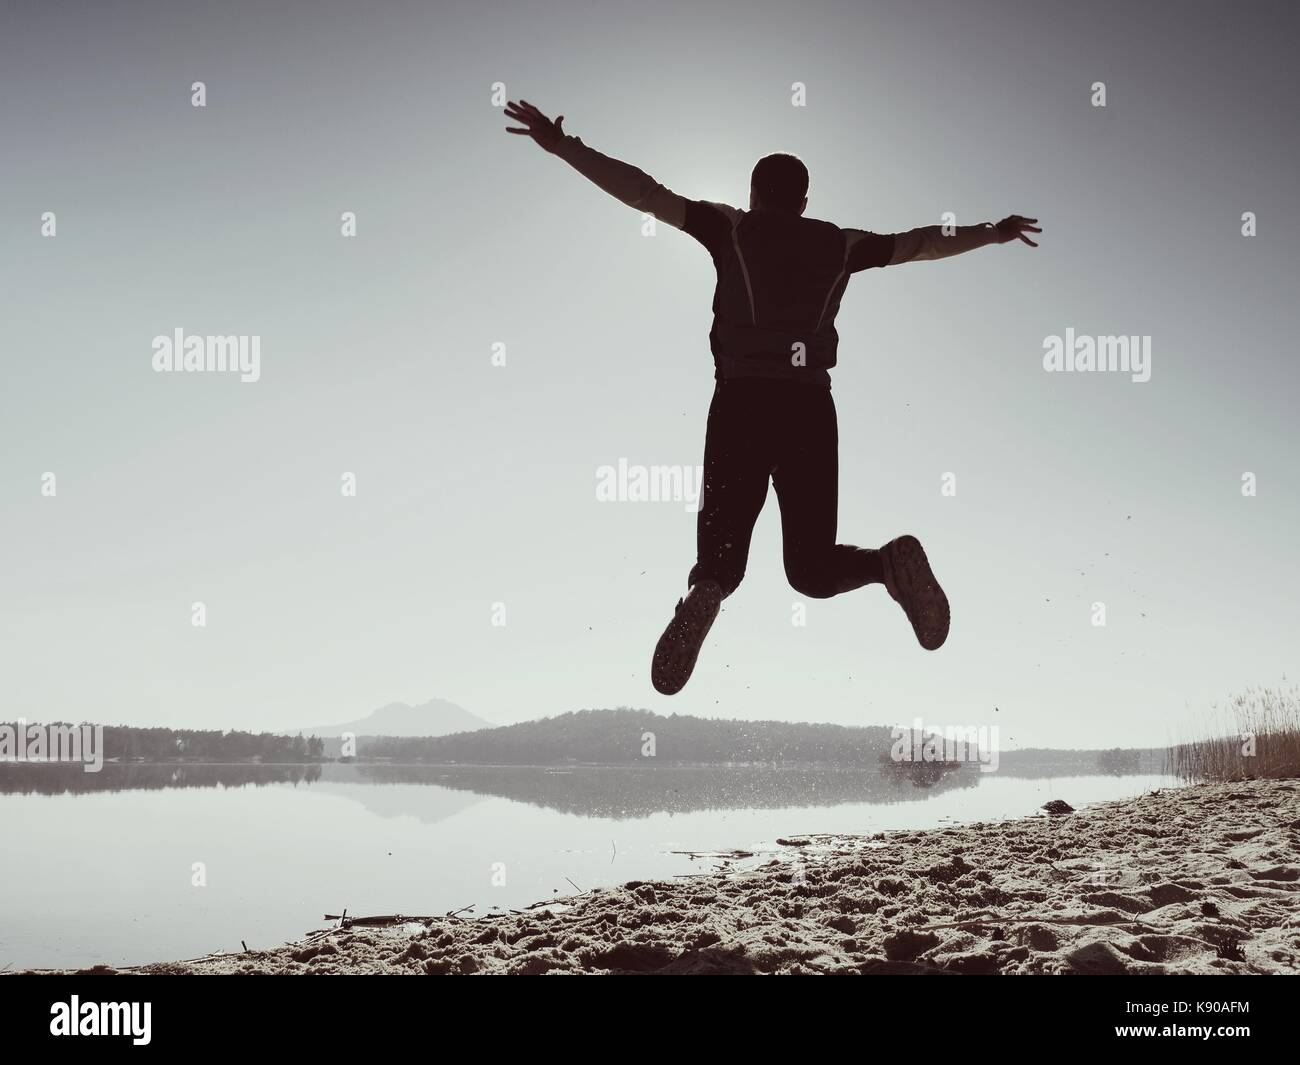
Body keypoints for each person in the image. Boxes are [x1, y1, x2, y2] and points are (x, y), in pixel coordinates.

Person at [504, 99, 1041, 695]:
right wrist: (991, 233)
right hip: (810, 411)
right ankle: (886, 563)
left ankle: (706, 591)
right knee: (811, 569)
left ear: (755, 193)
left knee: (721, 561)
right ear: (805, 200)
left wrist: (565, 148)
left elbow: (644, 193)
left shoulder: (732, 228)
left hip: (741, 404)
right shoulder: (840, 244)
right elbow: (919, 243)